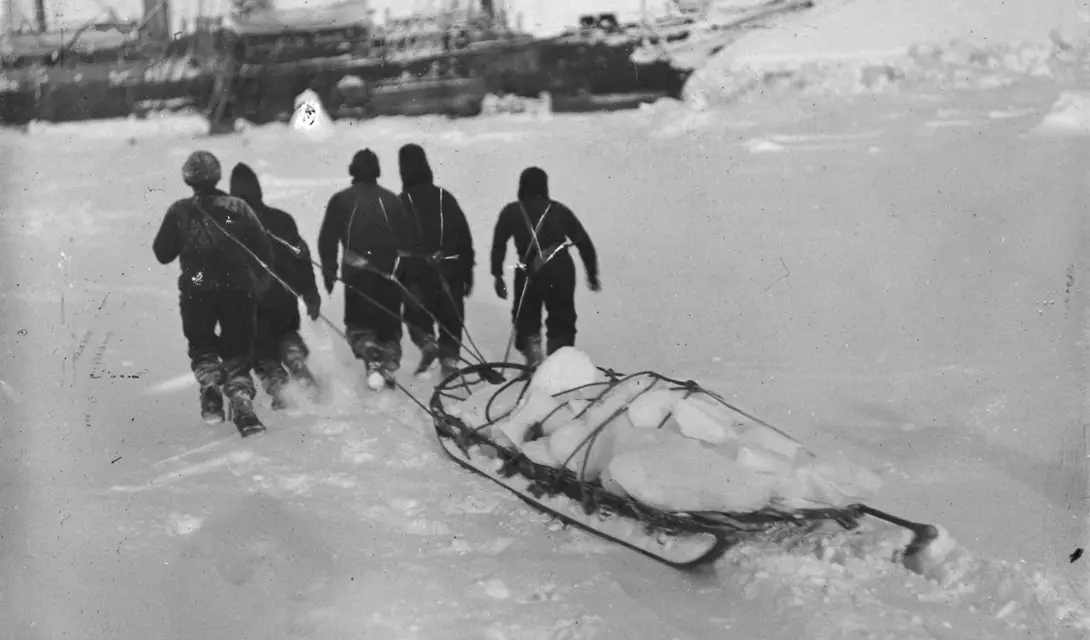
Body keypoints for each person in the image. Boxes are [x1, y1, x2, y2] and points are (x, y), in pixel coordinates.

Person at [152, 151, 273, 437]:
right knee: (238, 349)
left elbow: (162, 253)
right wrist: (258, 281)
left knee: (202, 343)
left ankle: (209, 383)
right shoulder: (239, 207)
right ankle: (242, 401)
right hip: (238, 288)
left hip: (197, 287)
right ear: (218, 175)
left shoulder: (179, 211)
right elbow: (264, 251)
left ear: (188, 178)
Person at [229, 162, 323, 409]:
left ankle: (281, 390)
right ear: (258, 190)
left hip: (251, 307)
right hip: (284, 300)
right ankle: (296, 360)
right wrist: (310, 292)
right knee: (287, 335)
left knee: (263, 353)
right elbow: (302, 257)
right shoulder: (282, 219)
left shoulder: (227, 227)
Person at [317, 149, 413, 390]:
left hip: (356, 274)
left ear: (353, 171)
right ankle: (388, 362)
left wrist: (329, 270)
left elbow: (327, 239)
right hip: (389, 275)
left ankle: (371, 354)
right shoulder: (392, 199)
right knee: (389, 325)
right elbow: (407, 243)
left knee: (359, 324)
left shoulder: (340, 200)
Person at [490, 167, 600, 368]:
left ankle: (534, 357)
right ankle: (557, 366)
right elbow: (584, 242)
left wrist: (497, 275)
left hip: (529, 271)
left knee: (526, 317)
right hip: (561, 269)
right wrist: (592, 274)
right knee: (562, 318)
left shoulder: (512, 211)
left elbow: (499, 244)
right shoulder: (559, 210)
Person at [396, 143, 475, 380]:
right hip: (449, 268)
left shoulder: (399, 202)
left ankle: (428, 346)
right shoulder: (445, 198)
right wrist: (468, 271)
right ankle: (449, 362)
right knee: (451, 315)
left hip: (413, 271)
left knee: (414, 313)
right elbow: (464, 236)